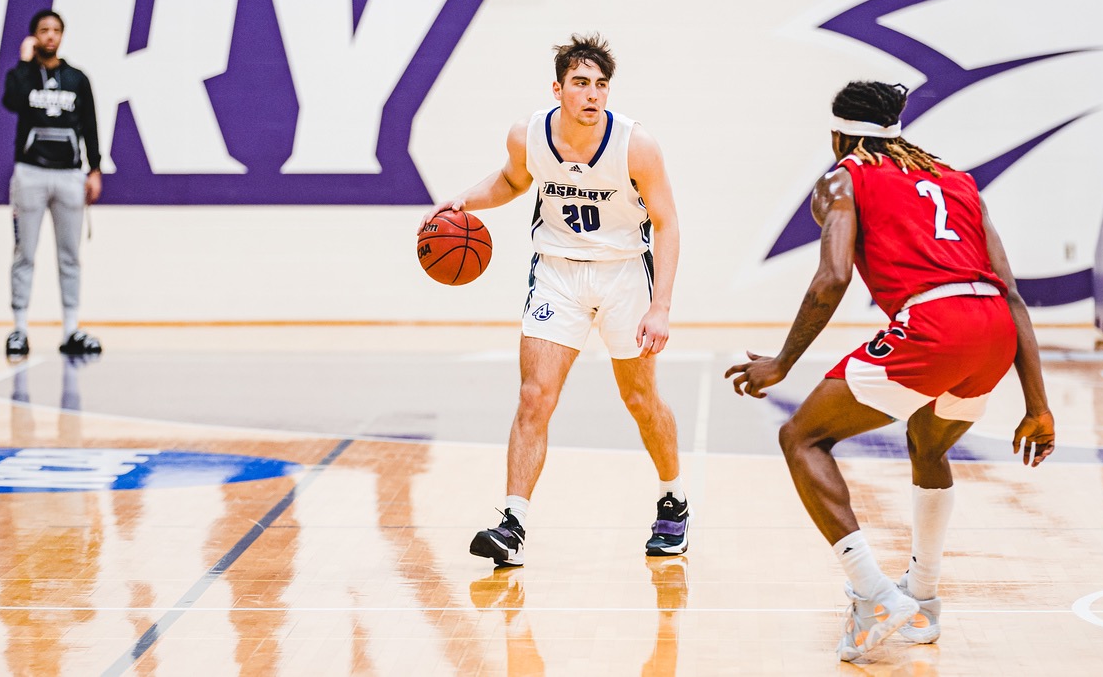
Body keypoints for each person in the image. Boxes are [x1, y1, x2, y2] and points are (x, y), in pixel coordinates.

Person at [725, 81, 1056, 662]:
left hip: (935, 325)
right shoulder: (957, 180)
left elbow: (832, 279)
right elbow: (1012, 293)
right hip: (993, 330)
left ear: (838, 134)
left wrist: (781, 363)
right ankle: (923, 601)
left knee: (802, 437)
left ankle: (874, 593)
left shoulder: (842, 178)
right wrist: (1037, 405)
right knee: (928, 446)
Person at [419, 33, 686, 566]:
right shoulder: (529, 135)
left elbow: (667, 222)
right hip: (558, 276)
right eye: (581, 83)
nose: (592, 95)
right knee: (534, 397)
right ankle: (512, 523)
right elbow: (511, 181)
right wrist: (462, 201)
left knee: (640, 401)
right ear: (559, 88)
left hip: (623, 275)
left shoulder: (637, 145)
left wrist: (661, 306)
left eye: (601, 86)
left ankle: (672, 500)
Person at [1, 10, 103, 358]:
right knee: (24, 253)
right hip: (30, 172)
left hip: (69, 174)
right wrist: (24, 61)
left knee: (70, 256)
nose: (50, 36)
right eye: (43, 30)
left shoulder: (77, 79)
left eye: (55, 30)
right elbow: (10, 101)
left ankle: (71, 329)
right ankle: (19, 330)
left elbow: (89, 123)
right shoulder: (25, 76)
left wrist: (95, 169)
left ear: (62, 36)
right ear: (34, 37)